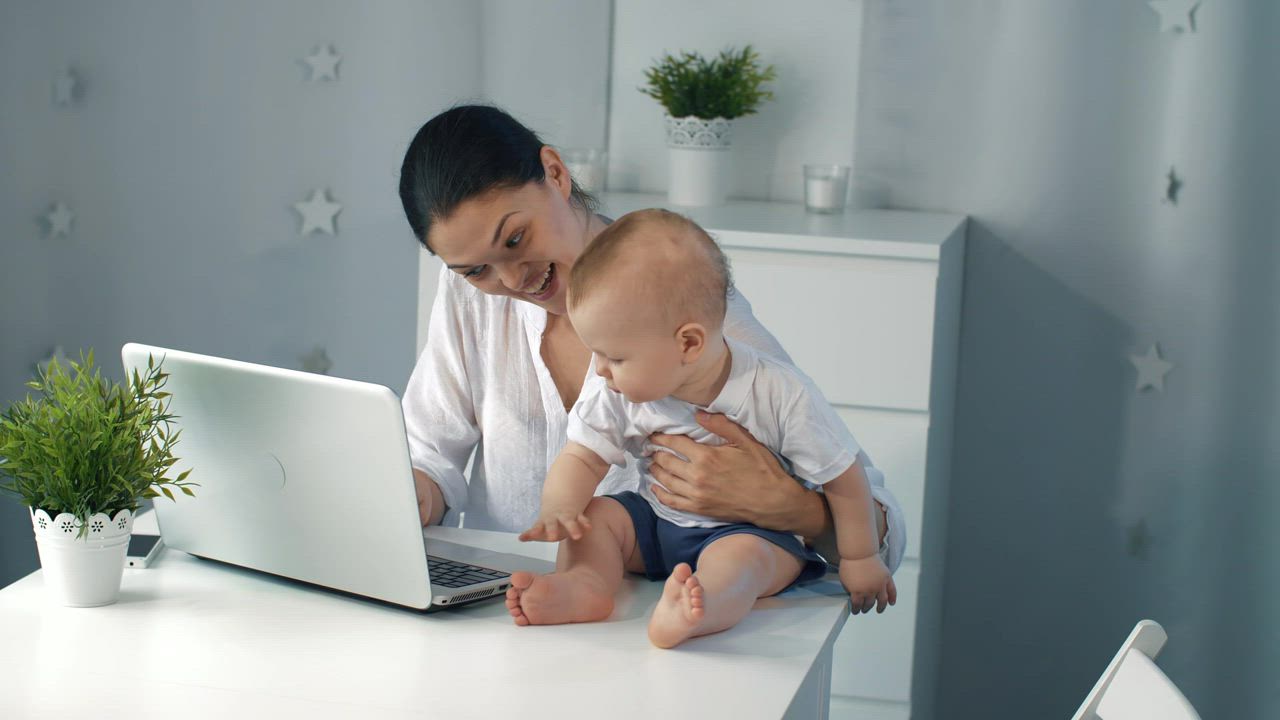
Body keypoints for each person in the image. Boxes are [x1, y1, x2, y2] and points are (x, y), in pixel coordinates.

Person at [397, 105, 906, 616]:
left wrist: (794, 510)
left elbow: (887, 532)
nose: (510, 281)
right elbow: (430, 449)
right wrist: (408, 490)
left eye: (515, 239)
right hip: (507, 613)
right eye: (477, 269)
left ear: (555, 173)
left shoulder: (689, 313)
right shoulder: (470, 299)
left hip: (654, 626)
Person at [506, 209, 896, 647]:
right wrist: (561, 506)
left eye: (615, 357)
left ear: (688, 343)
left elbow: (843, 475)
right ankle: (586, 584)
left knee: (743, 560)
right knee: (599, 516)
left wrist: (860, 556)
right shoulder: (615, 390)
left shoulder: (777, 392)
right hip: (656, 523)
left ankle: (701, 607)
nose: (600, 370)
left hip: (748, 531)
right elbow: (583, 454)